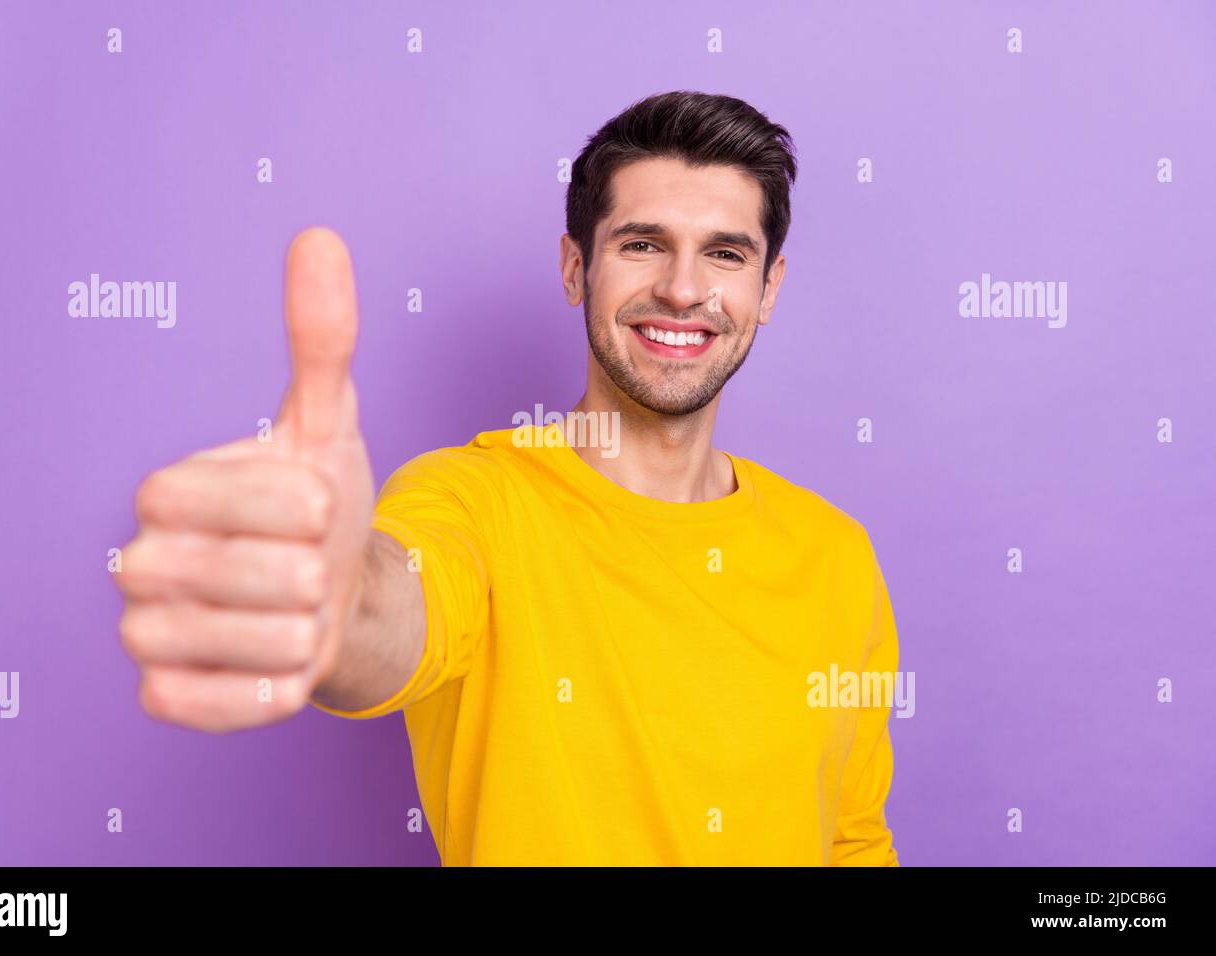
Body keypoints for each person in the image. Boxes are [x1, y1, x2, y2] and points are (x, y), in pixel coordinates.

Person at [113, 90, 901, 866]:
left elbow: (852, 841)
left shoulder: (838, 555)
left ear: (767, 290)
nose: (683, 289)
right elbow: (392, 611)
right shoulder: (472, 501)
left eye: (725, 254)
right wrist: (333, 605)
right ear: (574, 268)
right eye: (641, 244)